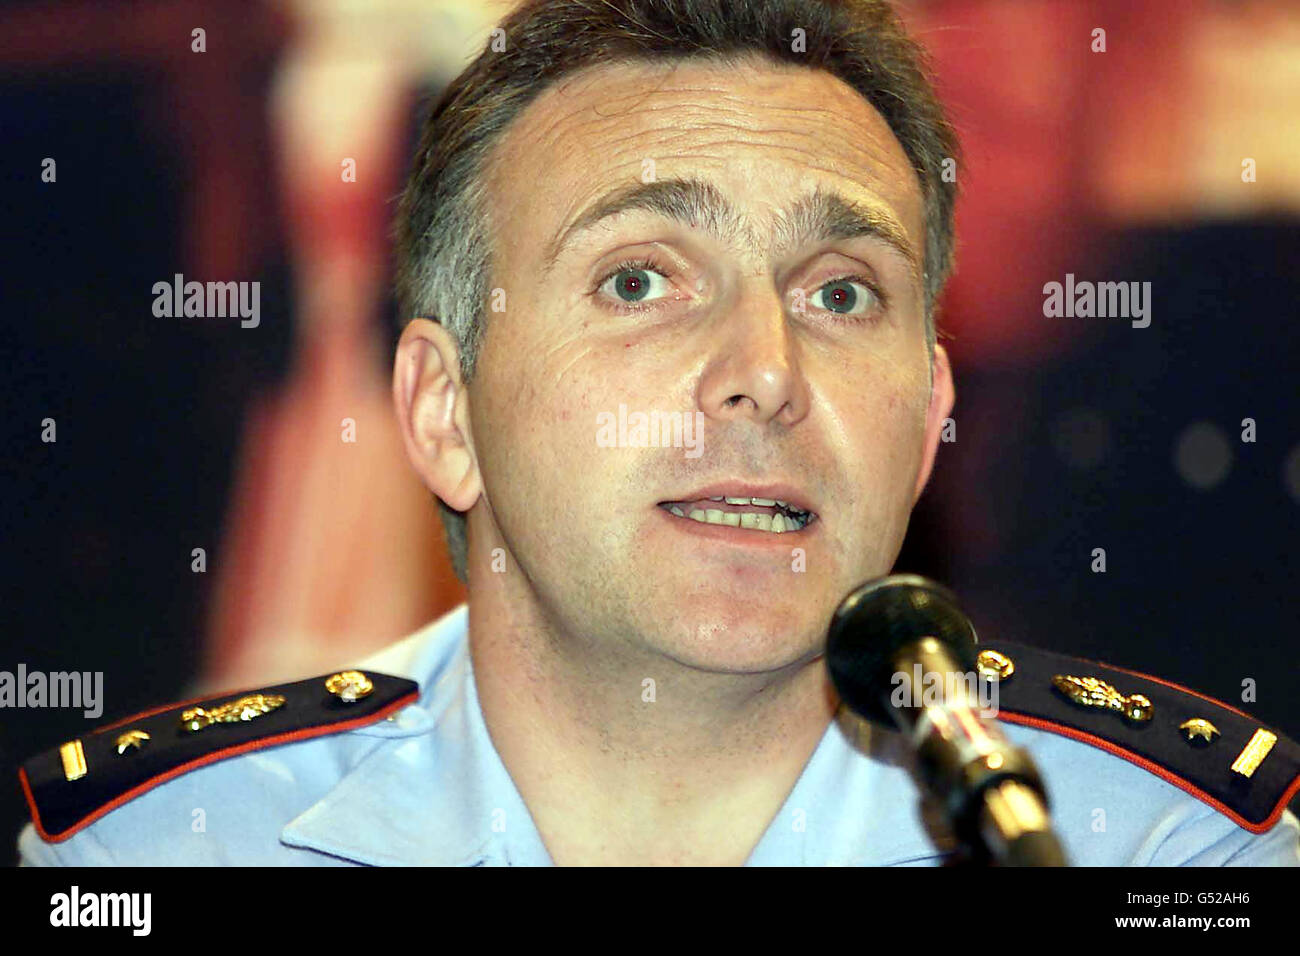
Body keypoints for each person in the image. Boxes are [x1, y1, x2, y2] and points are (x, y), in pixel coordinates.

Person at [18, 0, 1300, 866]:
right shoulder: (148, 852)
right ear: (441, 411)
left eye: (839, 291)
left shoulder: (1169, 848)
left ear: (928, 423)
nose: (764, 374)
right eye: (639, 279)